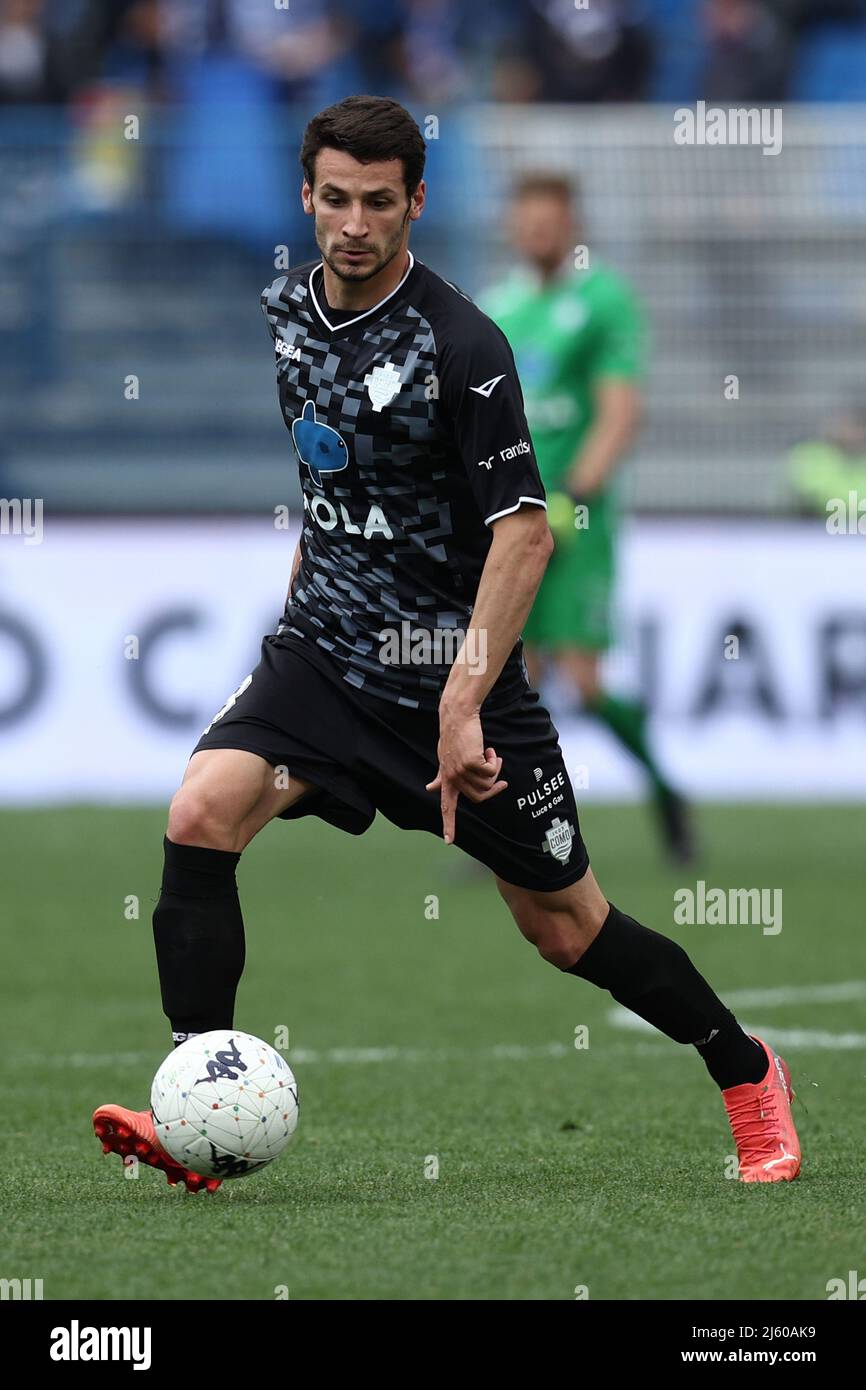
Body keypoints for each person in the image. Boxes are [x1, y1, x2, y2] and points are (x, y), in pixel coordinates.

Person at [93, 95, 800, 1193]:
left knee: (567, 928)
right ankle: (199, 1102)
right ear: (306, 197)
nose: (355, 224)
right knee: (200, 810)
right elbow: (327, 490)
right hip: (324, 652)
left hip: (447, 669)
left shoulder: (461, 345)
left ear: (415, 202)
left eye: (380, 202)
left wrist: (463, 699)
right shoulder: (286, 314)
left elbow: (523, 534)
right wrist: (296, 619)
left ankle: (745, 1067)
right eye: (335, 199)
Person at [480, 174, 693, 862]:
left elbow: (620, 410)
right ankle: (516, 829)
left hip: (578, 520)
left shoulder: (604, 300)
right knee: (513, 676)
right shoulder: (497, 308)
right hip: (512, 523)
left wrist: (577, 490)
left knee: (583, 676)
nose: (539, 232)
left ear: (573, 225)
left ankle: (665, 790)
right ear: (512, 228)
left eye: (552, 221)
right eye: (528, 221)